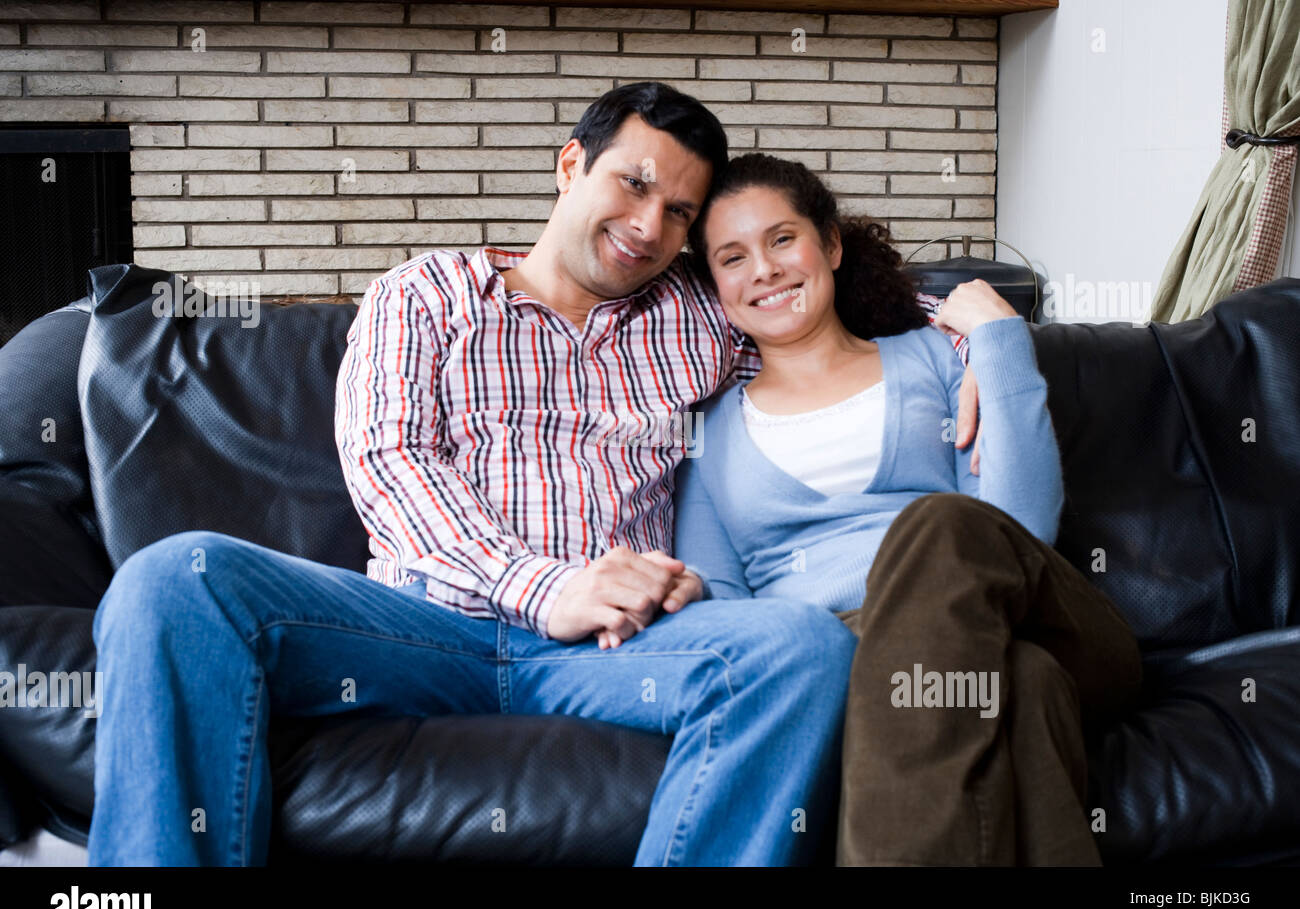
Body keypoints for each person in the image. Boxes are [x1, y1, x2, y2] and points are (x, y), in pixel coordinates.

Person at [89, 83, 986, 867]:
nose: (649, 226)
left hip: (615, 650)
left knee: (803, 649)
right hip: (422, 628)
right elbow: (390, 463)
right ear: (571, 166)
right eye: (635, 184)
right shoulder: (425, 293)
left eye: (679, 213)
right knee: (175, 579)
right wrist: (543, 585)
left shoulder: (694, 320)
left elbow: (804, 299)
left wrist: (969, 326)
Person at [675, 152, 1143, 866]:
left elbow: (1021, 528)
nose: (763, 270)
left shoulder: (934, 357)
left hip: (1035, 614)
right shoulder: (707, 430)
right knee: (1024, 682)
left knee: (940, 526)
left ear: (829, 245)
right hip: (856, 657)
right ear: (714, 286)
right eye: (732, 257)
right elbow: (725, 608)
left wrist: (997, 340)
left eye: (781, 239)